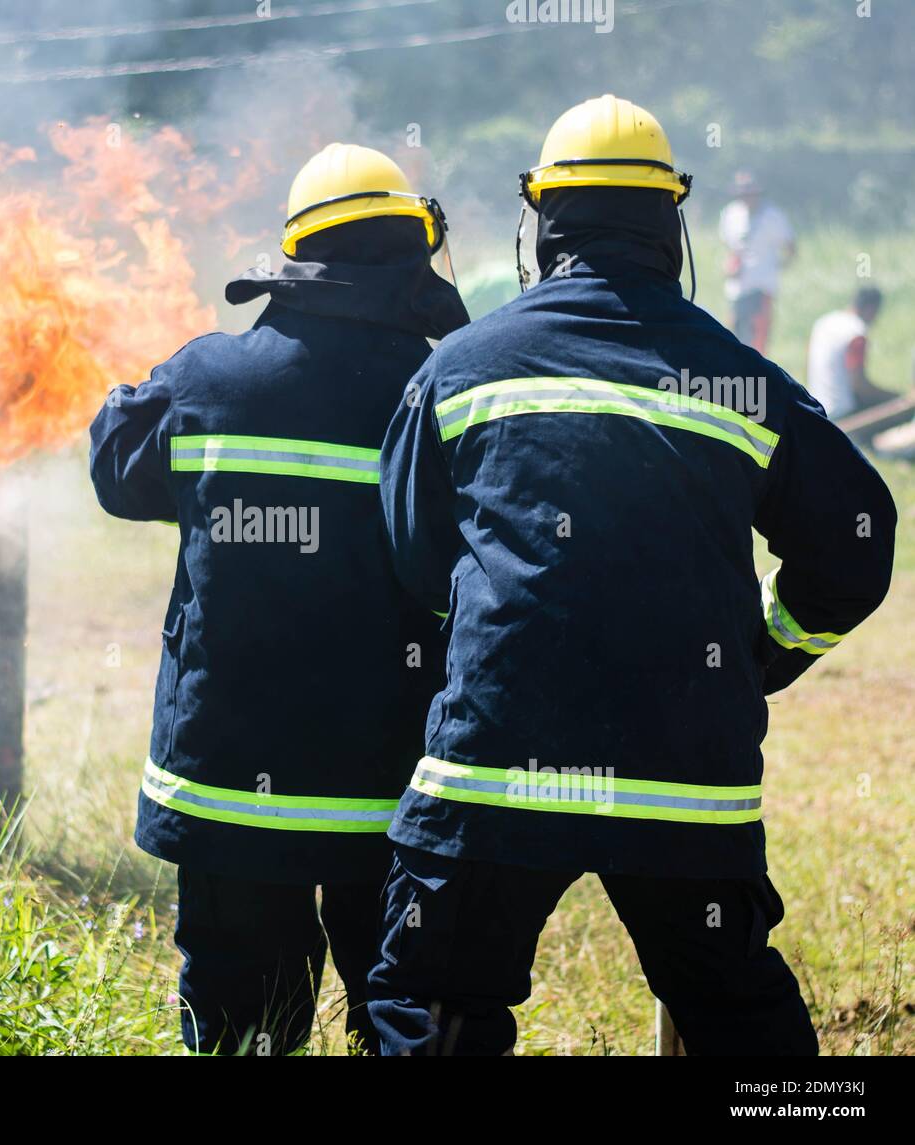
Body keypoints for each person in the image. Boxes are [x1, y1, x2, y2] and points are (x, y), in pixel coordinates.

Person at [369, 95, 897, 1057]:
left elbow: (413, 554)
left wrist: (503, 624)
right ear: (672, 223)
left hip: (494, 771)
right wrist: (761, 653)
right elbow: (859, 538)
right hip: (684, 780)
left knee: (434, 1008)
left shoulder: (457, 369)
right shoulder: (740, 379)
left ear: (540, 219)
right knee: (739, 1022)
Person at [89, 143, 468, 1055]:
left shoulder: (208, 379)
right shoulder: (445, 387)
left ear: (294, 260)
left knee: (241, 1029)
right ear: (412, 250)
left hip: (230, 797)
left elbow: (116, 471)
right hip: (388, 791)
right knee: (404, 1014)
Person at [719, 170, 795, 353]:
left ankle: (757, 379)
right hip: (737, 288)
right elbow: (730, 248)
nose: (745, 196)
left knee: (758, 340)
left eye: (749, 192)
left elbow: (791, 248)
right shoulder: (731, 214)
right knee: (734, 337)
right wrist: (729, 266)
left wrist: (776, 268)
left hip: (761, 287)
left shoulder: (772, 216)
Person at [807, 287, 890, 420]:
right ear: (870, 308)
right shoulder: (856, 332)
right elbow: (859, 386)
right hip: (842, 411)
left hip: (817, 405)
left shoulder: (823, 323)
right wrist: (895, 398)